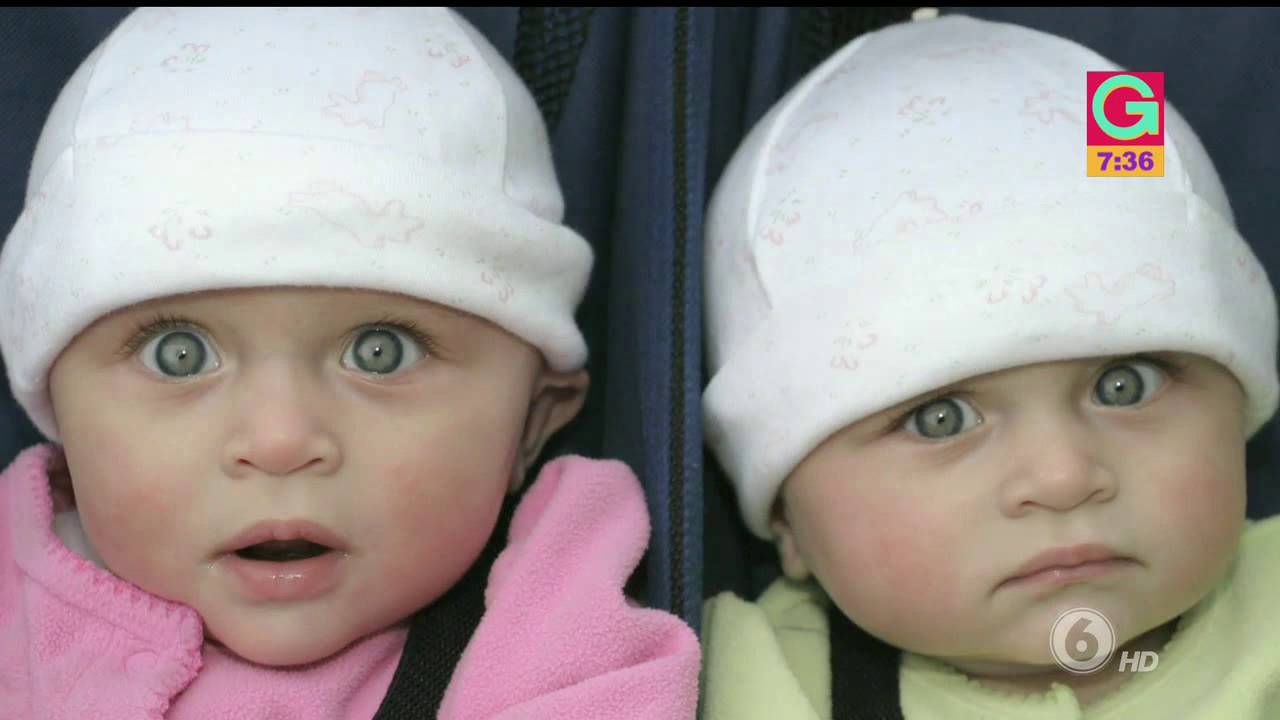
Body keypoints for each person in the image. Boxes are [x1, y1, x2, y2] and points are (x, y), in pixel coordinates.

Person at [0, 7, 698, 719]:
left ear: (531, 422)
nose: (279, 441)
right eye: (179, 356)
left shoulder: (554, 614)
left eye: (379, 352)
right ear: (57, 410)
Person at [700, 13, 1280, 719]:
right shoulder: (750, 685)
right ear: (788, 522)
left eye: (1124, 385)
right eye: (940, 419)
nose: (1063, 477)